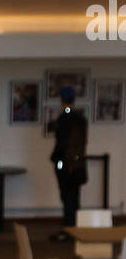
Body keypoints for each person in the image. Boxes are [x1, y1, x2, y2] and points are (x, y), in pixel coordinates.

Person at [49, 86, 88, 240]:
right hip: (78, 166)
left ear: (62, 100)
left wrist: (55, 159)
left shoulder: (64, 118)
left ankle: (68, 231)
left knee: (67, 197)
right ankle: (73, 229)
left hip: (64, 164)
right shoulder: (81, 119)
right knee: (74, 198)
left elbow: (61, 144)